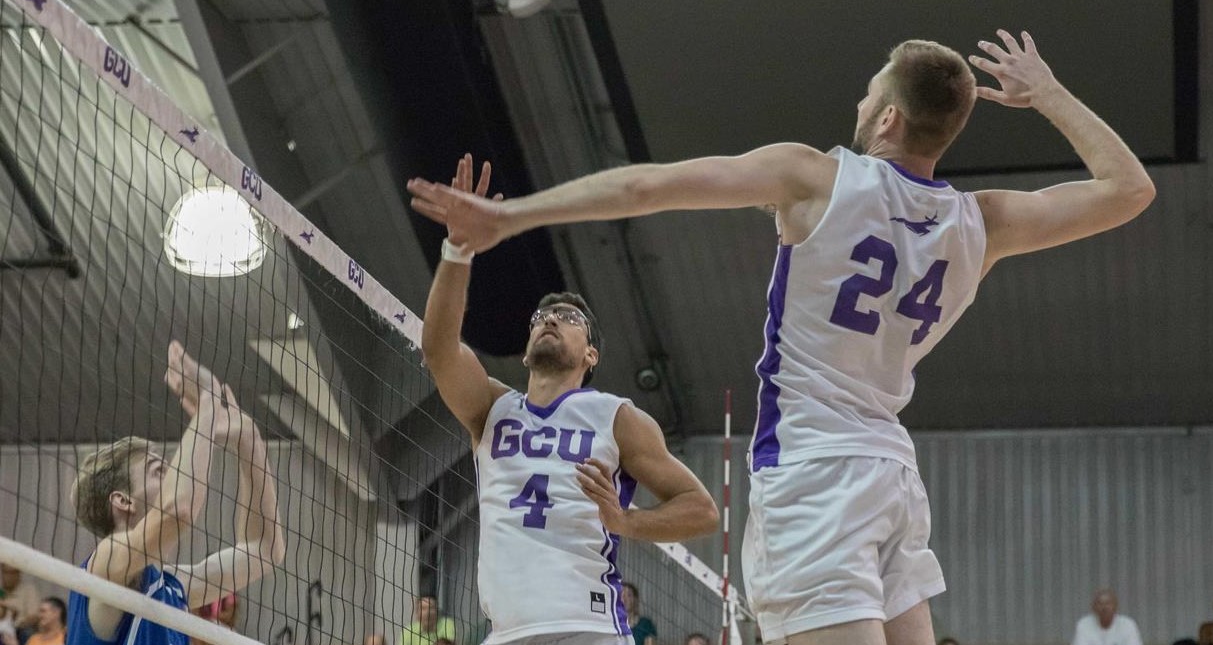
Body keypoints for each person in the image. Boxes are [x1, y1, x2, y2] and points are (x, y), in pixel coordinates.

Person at [408, 32, 1155, 645]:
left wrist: (509, 218)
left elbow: (646, 187)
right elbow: (1129, 189)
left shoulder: (816, 177)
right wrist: (1046, 92)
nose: (860, 103)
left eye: (870, 92)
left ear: (888, 120)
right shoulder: (981, 221)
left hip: (814, 474)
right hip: (890, 473)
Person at [413, 156, 718, 645]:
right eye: (541, 317)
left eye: (568, 318)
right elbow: (439, 348)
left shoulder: (616, 417)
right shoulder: (492, 409)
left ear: (590, 354)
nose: (550, 319)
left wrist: (627, 521)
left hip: (587, 628)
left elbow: (702, 510)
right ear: (526, 346)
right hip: (507, 633)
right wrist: (458, 249)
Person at [68, 341, 286, 645]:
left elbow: (264, 549)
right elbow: (178, 510)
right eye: (158, 470)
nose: (174, 474)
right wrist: (208, 398)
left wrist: (249, 439)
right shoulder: (105, 563)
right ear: (123, 500)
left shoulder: (172, 586)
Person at [1072, 589, 1141, 645]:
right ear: (1093, 608)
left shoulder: (1128, 624)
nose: (1104, 608)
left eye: (1108, 603)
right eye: (1100, 604)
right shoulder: (1084, 624)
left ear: (1116, 607)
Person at [0, 564, 42, 643]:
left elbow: (34, 616)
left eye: (12, 573)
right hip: (2, 629)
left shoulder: (29, 589)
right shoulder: (0, 591)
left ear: (19, 574)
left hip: (20, 630)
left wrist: (17, 625)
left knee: (28, 632)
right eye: (5, 572)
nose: (8, 577)